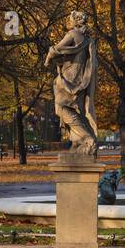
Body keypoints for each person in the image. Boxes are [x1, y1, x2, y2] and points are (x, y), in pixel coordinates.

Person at [44, 11, 98, 155]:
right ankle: (78, 142)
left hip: (69, 80)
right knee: (76, 111)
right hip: (80, 81)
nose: (69, 22)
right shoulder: (87, 39)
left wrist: (49, 56)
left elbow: (58, 48)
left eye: (70, 19)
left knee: (60, 108)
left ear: (75, 21)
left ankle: (88, 138)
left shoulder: (73, 34)